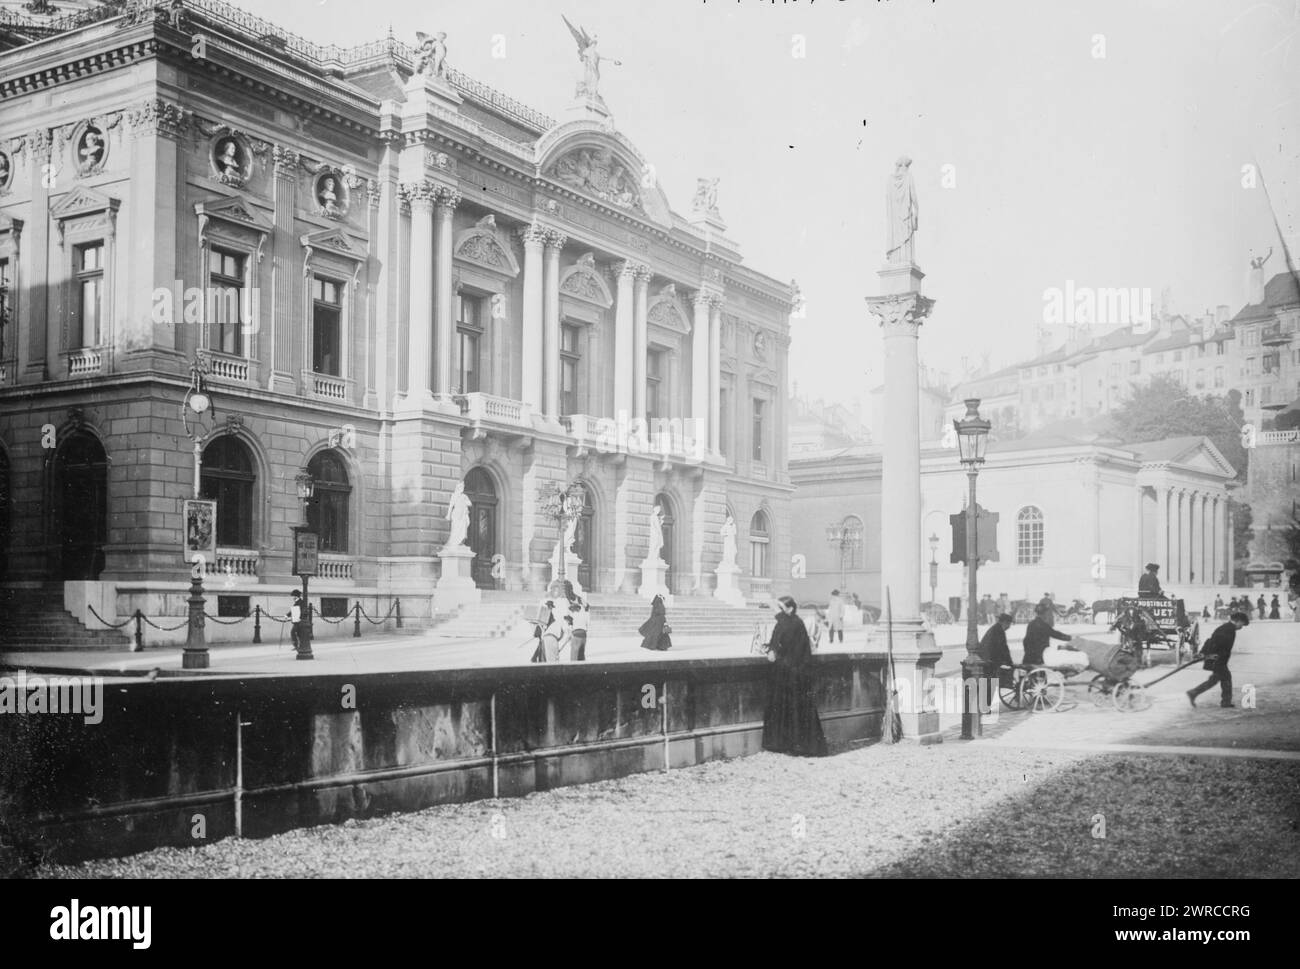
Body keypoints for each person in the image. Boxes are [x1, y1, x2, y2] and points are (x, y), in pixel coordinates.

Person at [761, 596, 827, 757]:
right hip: (784, 672)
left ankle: (800, 746)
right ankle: (782, 744)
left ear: (790, 609)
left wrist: (775, 651)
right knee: (784, 708)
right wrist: (770, 649)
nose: (777, 611)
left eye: (780, 607)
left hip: (795, 674)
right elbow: (778, 639)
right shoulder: (785, 622)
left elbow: (788, 640)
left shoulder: (795, 623)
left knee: (796, 710)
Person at [1187, 612, 1247, 708]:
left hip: (1218, 659)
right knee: (1226, 678)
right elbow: (1215, 643)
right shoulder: (1229, 629)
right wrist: (1209, 655)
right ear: (1238, 621)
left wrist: (1204, 653)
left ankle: (1194, 692)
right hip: (1217, 659)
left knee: (1215, 679)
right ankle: (1225, 702)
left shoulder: (1226, 628)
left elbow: (1210, 641)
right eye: (1242, 624)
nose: (1241, 627)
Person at [978, 613, 1015, 686]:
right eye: (1009, 624)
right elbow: (1003, 648)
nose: (1009, 627)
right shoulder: (999, 631)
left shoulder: (995, 628)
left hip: (986, 658)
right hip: (989, 659)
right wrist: (1010, 662)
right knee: (990, 681)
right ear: (1005, 622)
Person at [569, 594, 590, 661]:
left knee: (574, 657)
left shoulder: (572, 615)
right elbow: (588, 624)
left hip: (576, 634)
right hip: (583, 635)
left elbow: (570, 627)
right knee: (581, 655)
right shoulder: (585, 613)